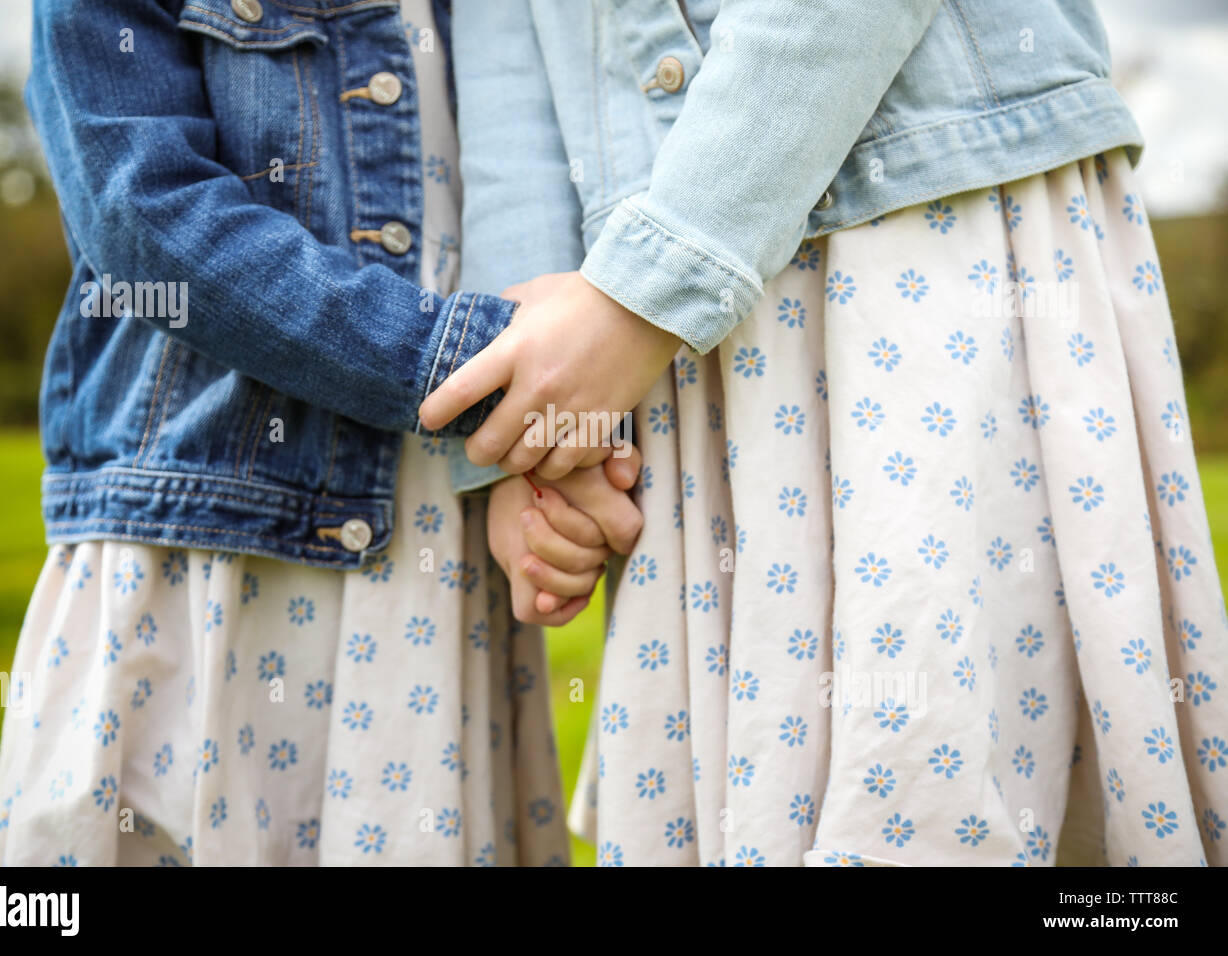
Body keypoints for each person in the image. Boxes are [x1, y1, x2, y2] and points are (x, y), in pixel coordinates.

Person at [427, 0, 1228, 865]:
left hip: (928, 239)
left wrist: (648, 291)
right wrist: (532, 441)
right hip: (666, 357)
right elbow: (507, 75)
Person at [0, 0, 638, 867]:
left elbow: (524, 172)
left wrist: (528, 453)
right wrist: (497, 380)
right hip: (208, 539)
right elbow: (140, 216)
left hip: (439, 540)